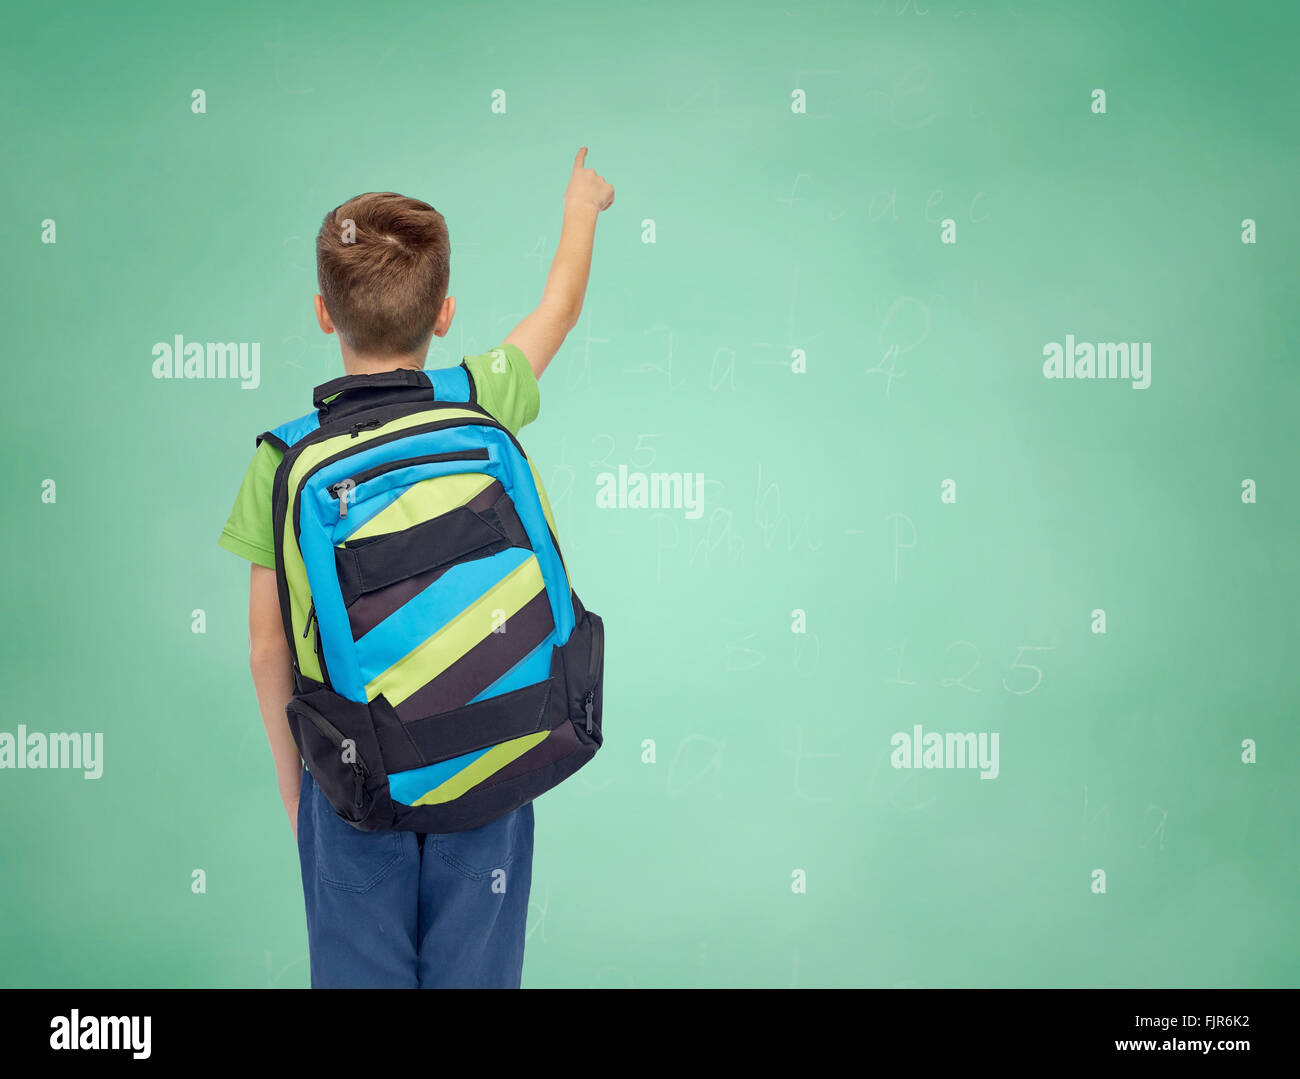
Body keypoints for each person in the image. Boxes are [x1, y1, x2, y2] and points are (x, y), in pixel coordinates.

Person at [217, 148, 614, 988]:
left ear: (324, 314)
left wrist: (299, 800)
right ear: (447, 311)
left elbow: (266, 653)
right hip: (491, 758)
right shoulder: (480, 397)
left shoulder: (283, 458)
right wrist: (581, 205)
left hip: (355, 786)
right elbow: (560, 309)